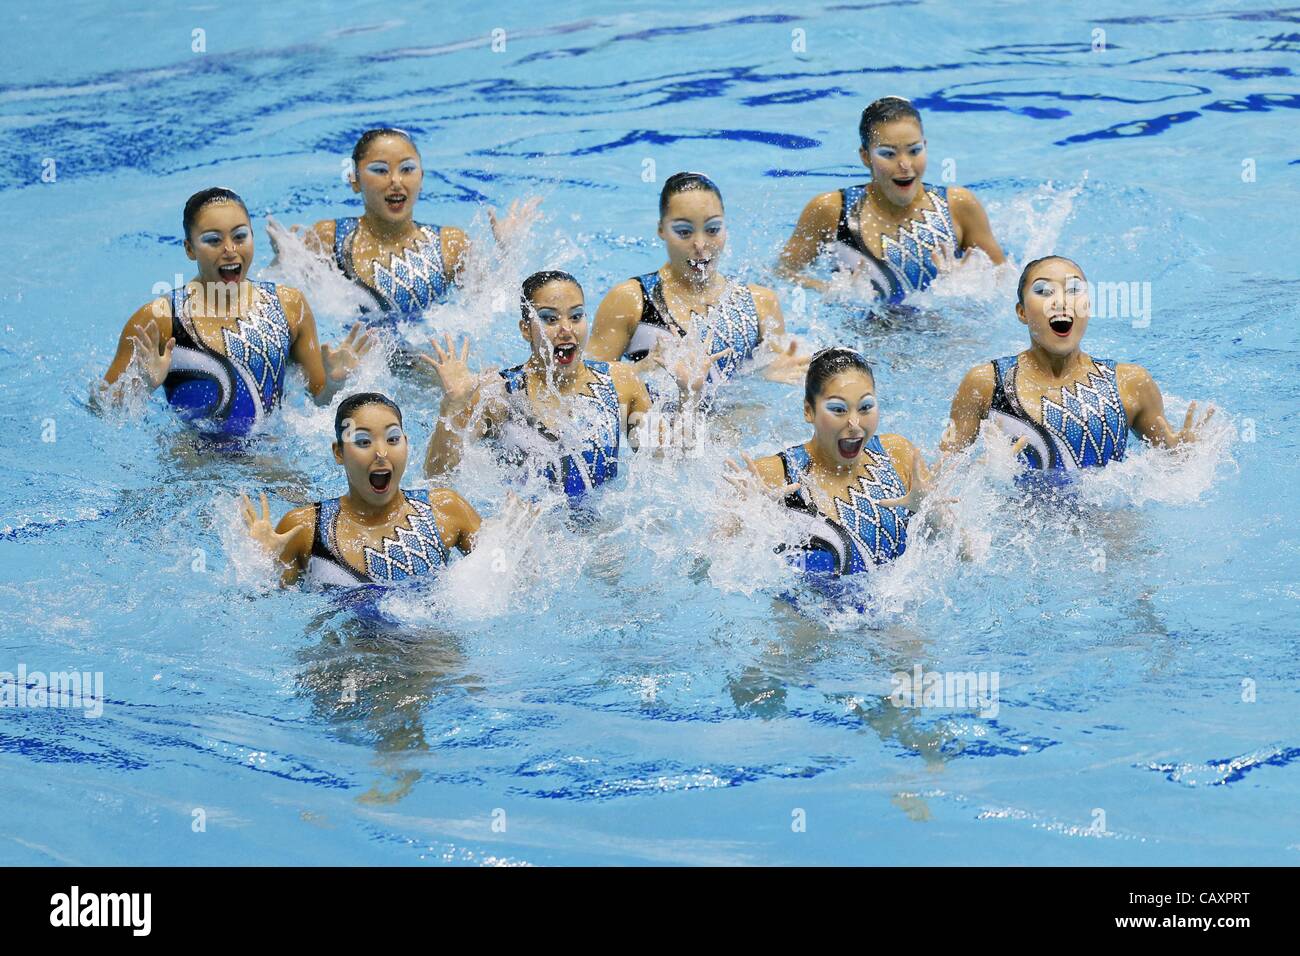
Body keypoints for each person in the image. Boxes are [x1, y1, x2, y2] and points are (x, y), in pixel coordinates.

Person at [98, 187, 374, 437]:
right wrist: (142, 386)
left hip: (267, 457)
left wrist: (336, 382)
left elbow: (320, 402)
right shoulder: (160, 319)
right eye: (213, 240)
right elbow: (101, 408)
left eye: (240, 236)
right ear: (189, 249)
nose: (230, 250)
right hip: (192, 463)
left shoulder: (290, 306)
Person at [940, 255, 1215, 477]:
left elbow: (1169, 466)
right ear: (1022, 312)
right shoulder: (986, 384)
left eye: (1073, 290)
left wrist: (1186, 457)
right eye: (1043, 290)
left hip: (1113, 533)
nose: (1061, 300)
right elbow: (944, 475)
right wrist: (979, 474)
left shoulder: (1131, 383)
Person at [270, 127, 539, 327]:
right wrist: (286, 263)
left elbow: (492, 310)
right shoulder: (329, 238)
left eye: (407, 169)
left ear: (421, 177)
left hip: (424, 368)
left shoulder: (450, 245)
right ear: (354, 180)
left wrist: (508, 251)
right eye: (380, 170)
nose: (396, 181)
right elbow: (294, 309)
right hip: (355, 367)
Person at [424, 270, 653, 500]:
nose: (566, 329)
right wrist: (451, 407)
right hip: (531, 530)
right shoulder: (498, 395)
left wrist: (687, 393)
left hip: (605, 530)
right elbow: (439, 476)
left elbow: (661, 461)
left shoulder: (621, 383)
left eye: (576, 316)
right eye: (550, 319)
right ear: (525, 329)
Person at [588, 172, 808, 403]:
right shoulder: (631, 300)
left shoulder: (760, 303)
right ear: (661, 229)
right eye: (684, 232)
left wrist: (764, 376)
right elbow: (585, 388)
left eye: (713, 229)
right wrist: (639, 370)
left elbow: (769, 389)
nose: (701, 245)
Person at [727, 347, 937, 577]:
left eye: (866, 407)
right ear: (809, 411)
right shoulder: (773, 476)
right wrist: (746, 518)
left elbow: (968, 556)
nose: (855, 423)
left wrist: (931, 511)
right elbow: (707, 568)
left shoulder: (899, 456)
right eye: (838, 409)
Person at [777, 96, 1005, 306]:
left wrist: (970, 284)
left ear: (925, 146)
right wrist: (833, 290)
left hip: (947, 335)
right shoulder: (832, 210)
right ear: (866, 156)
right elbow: (782, 274)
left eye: (914, 151)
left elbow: (1005, 277)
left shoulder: (958, 205)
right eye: (888, 154)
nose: (905, 164)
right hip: (866, 336)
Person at [240, 392, 480, 586]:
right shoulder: (304, 530)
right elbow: (268, 609)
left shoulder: (446, 510)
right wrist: (263, 565)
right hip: (343, 646)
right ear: (339, 452)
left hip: (433, 645)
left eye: (393, 439)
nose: (381, 452)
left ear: (406, 443)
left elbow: (506, 579)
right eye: (363, 442)